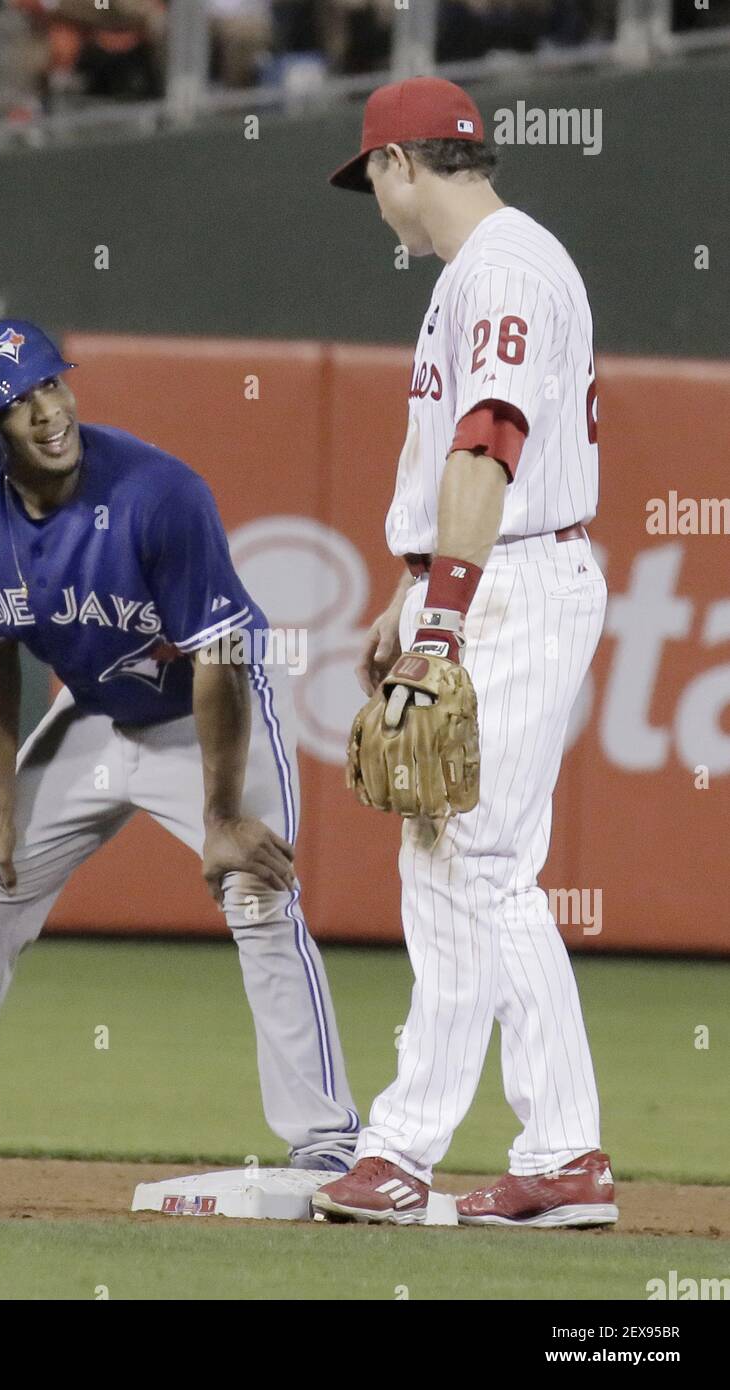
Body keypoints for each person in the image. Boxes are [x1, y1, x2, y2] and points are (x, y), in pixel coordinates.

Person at [0, 320, 358, 1204]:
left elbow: (220, 659)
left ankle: (330, 1147)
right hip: (94, 715)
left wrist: (219, 818)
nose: (48, 410)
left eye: (52, 384)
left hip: (207, 719)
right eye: (17, 403)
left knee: (258, 891)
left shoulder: (159, 492)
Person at [312, 78, 617, 1228]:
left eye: (373, 181)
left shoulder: (500, 267)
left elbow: (493, 440)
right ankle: (429, 1149)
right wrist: (414, 583)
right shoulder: (488, 270)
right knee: (447, 859)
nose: (377, 204)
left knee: (480, 861)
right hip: (494, 573)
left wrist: (444, 614)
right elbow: (469, 454)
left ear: (399, 166)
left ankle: (545, 1149)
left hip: (516, 582)